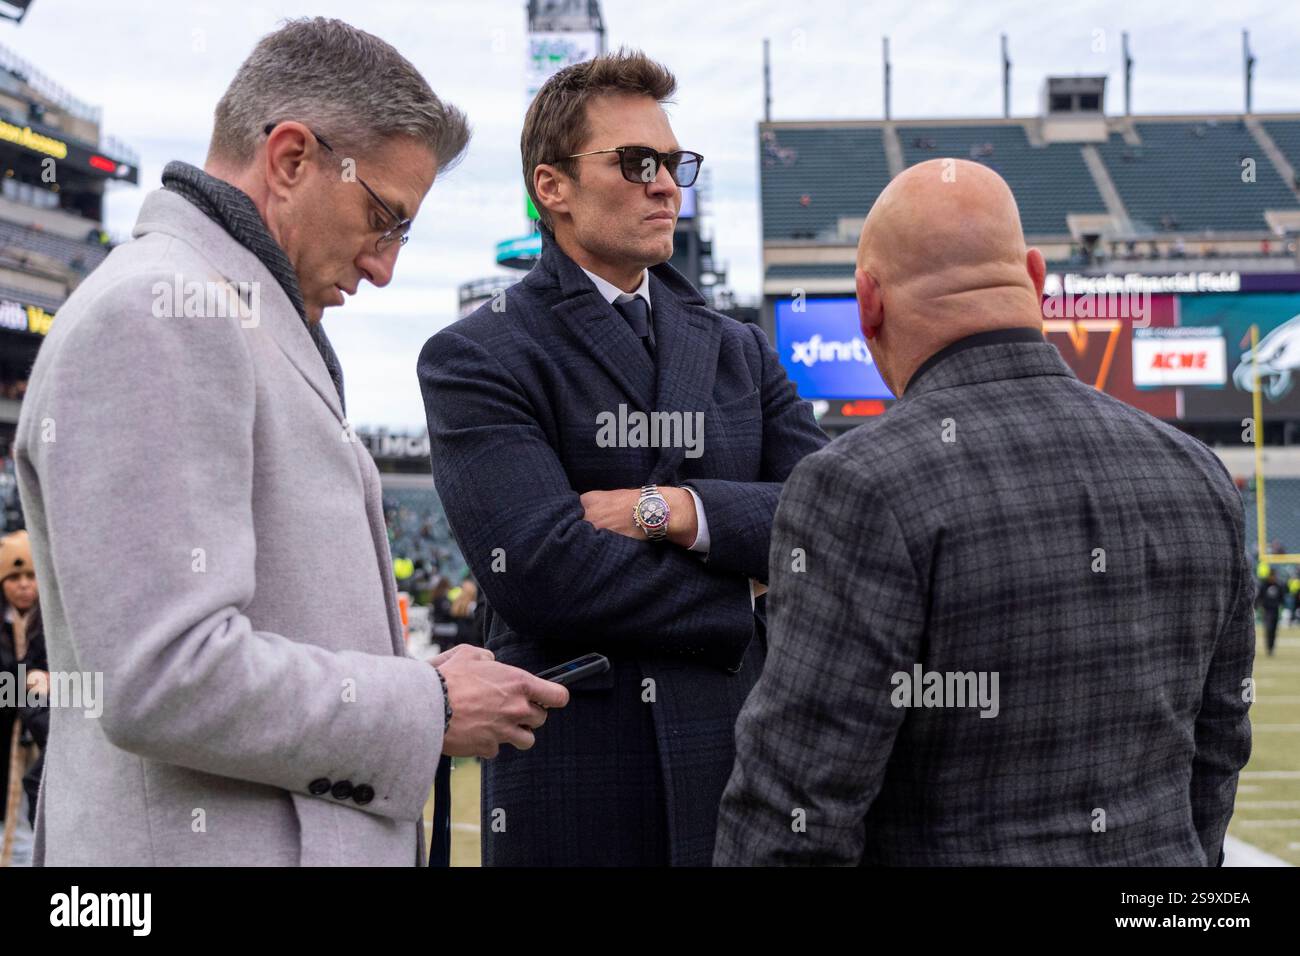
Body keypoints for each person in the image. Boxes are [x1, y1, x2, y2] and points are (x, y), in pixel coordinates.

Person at [14, 17, 566, 867]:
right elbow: (164, 675)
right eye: (384, 217)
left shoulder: (231, 311)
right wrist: (430, 705)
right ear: (291, 160)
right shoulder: (157, 312)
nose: (384, 265)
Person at [715, 158, 1254, 866]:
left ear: (867, 303)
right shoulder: (1199, 473)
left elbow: (792, 816)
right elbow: (1215, 763)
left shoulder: (858, 485)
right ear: (1035, 278)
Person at [418, 49, 827, 866]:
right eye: (636, 162)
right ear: (552, 188)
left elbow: (824, 516)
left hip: (739, 770)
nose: (667, 184)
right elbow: (542, 569)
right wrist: (745, 588)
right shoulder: (479, 354)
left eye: (675, 164)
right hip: (577, 783)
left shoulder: (739, 350)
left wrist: (673, 512)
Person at [1257, 568, 1284, 657]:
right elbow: (1260, 597)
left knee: (1274, 630)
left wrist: (1280, 606)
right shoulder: (1264, 585)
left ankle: (1271, 648)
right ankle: (1268, 647)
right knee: (1268, 629)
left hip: (1275, 610)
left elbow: (1281, 598)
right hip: (1267, 611)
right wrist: (1260, 606)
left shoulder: (1278, 585)